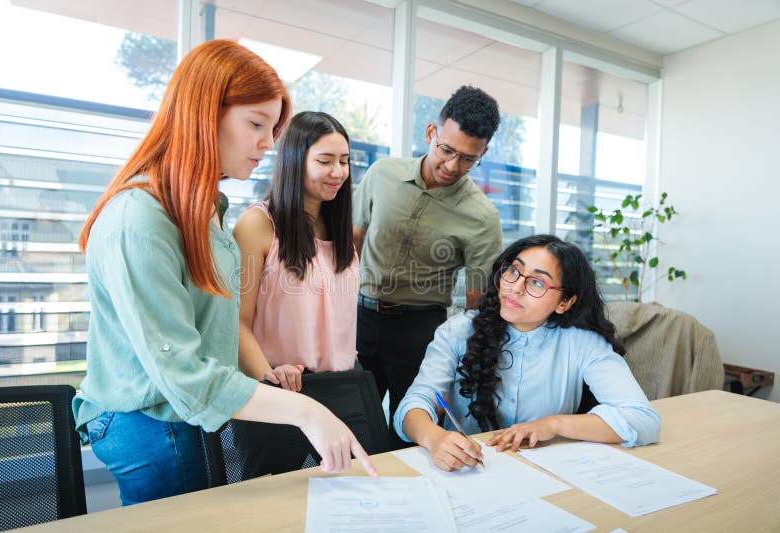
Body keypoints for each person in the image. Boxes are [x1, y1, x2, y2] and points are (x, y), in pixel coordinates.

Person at [73, 40, 376, 506]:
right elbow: (183, 370)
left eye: (272, 128)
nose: (268, 143)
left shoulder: (208, 210)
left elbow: (220, 327)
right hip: (153, 420)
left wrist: (281, 385)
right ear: (201, 114)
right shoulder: (139, 218)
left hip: (192, 414)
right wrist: (305, 411)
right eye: (256, 124)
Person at [394, 234, 661, 471]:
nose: (516, 288)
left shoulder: (582, 343)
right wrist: (434, 437)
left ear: (565, 302)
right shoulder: (458, 330)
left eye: (537, 283)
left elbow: (644, 420)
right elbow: (413, 406)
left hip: (546, 473)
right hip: (467, 470)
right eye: (513, 271)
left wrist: (552, 425)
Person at [352, 85, 503, 448]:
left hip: (420, 330)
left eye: (468, 159)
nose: (453, 166)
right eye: (447, 150)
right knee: (353, 426)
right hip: (359, 318)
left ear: (482, 152)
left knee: (410, 434)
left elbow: (476, 304)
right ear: (431, 133)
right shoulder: (382, 174)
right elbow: (350, 244)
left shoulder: (482, 217)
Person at [231, 111, 360, 478]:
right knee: (271, 507)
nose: (338, 172)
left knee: (357, 497)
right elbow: (236, 323)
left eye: (344, 161)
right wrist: (269, 375)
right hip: (278, 393)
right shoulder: (257, 225)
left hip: (340, 386)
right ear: (294, 161)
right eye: (325, 161)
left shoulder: (341, 230)